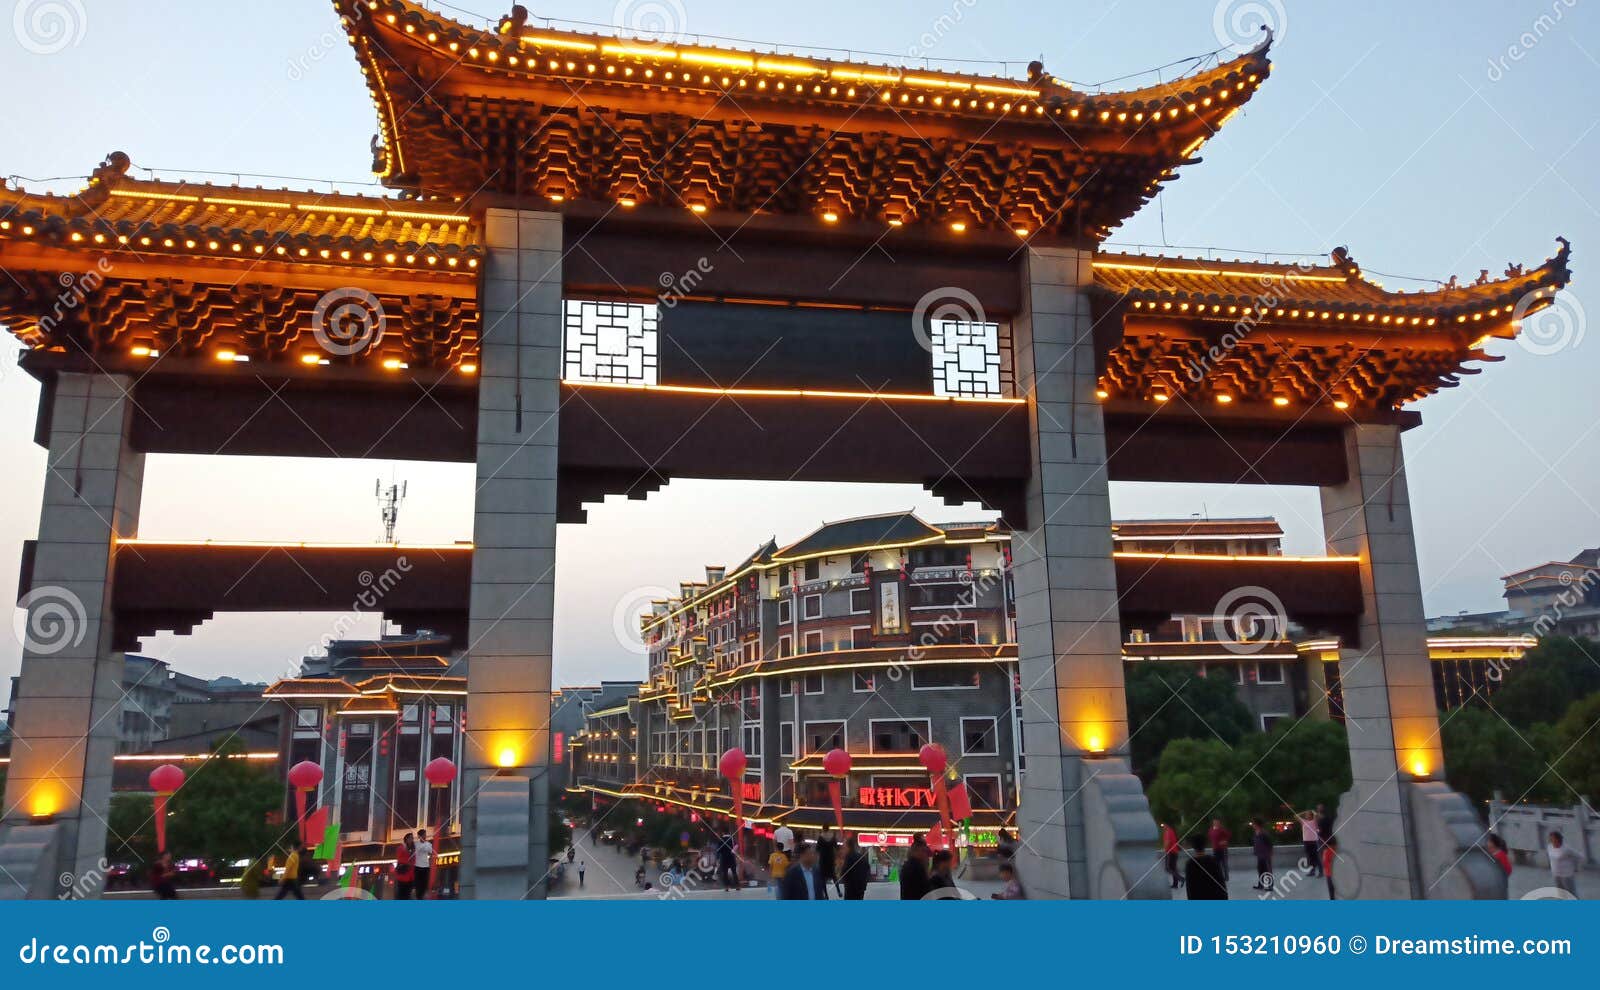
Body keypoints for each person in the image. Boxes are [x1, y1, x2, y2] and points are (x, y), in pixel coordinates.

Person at [1184, 835, 1228, 900]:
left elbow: (1190, 887)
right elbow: (1220, 882)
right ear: (1205, 845)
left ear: (1193, 847)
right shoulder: (1213, 861)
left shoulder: (1190, 864)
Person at [1547, 830, 1582, 897]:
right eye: (1550, 838)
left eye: (1553, 838)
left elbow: (1579, 856)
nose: (1551, 840)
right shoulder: (1549, 847)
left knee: (1571, 892)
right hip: (1556, 874)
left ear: (1558, 839)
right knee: (1560, 893)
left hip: (1566, 875)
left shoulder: (1566, 849)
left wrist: (1576, 867)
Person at [1251, 819, 1273, 891]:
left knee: (1267, 870)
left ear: (1257, 825)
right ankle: (1261, 885)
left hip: (1265, 855)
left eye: (1253, 824)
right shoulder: (1255, 832)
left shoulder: (1264, 833)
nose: (1252, 825)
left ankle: (1270, 885)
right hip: (1259, 855)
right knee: (1260, 870)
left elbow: (1269, 843)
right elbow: (1255, 843)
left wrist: (1270, 852)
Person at [817, 828, 839, 896]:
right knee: (834, 876)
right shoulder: (832, 837)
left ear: (823, 829)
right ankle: (838, 890)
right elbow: (836, 847)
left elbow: (817, 848)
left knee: (823, 878)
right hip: (830, 859)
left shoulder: (820, 837)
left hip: (823, 860)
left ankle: (826, 895)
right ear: (828, 829)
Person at [1297, 811, 1321, 876]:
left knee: (1316, 857)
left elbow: (1317, 815)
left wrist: (1312, 811)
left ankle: (1320, 871)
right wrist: (1304, 812)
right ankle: (1312, 871)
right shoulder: (1303, 821)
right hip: (1306, 841)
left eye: (1308, 815)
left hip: (1313, 841)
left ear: (1311, 816)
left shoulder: (1314, 821)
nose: (1306, 816)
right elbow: (1296, 816)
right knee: (1309, 857)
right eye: (1306, 815)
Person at [394, 832, 415, 900]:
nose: (412, 840)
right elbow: (400, 859)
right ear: (406, 839)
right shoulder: (401, 848)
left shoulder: (413, 849)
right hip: (403, 876)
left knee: (408, 894)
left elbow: (415, 860)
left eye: (412, 838)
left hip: (410, 876)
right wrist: (408, 863)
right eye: (410, 838)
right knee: (402, 894)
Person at [1162, 823, 1183, 889]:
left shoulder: (1168, 831)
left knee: (1167, 868)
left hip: (1170, 852)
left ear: (1167, 825)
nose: (1163, 826)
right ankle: (1175, 884)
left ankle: (1181, 879)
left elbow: (1168, 842)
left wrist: (1165, 850)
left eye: (1163, 825)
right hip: (1174, 852)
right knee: (1173, 868)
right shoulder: (1171, 831)